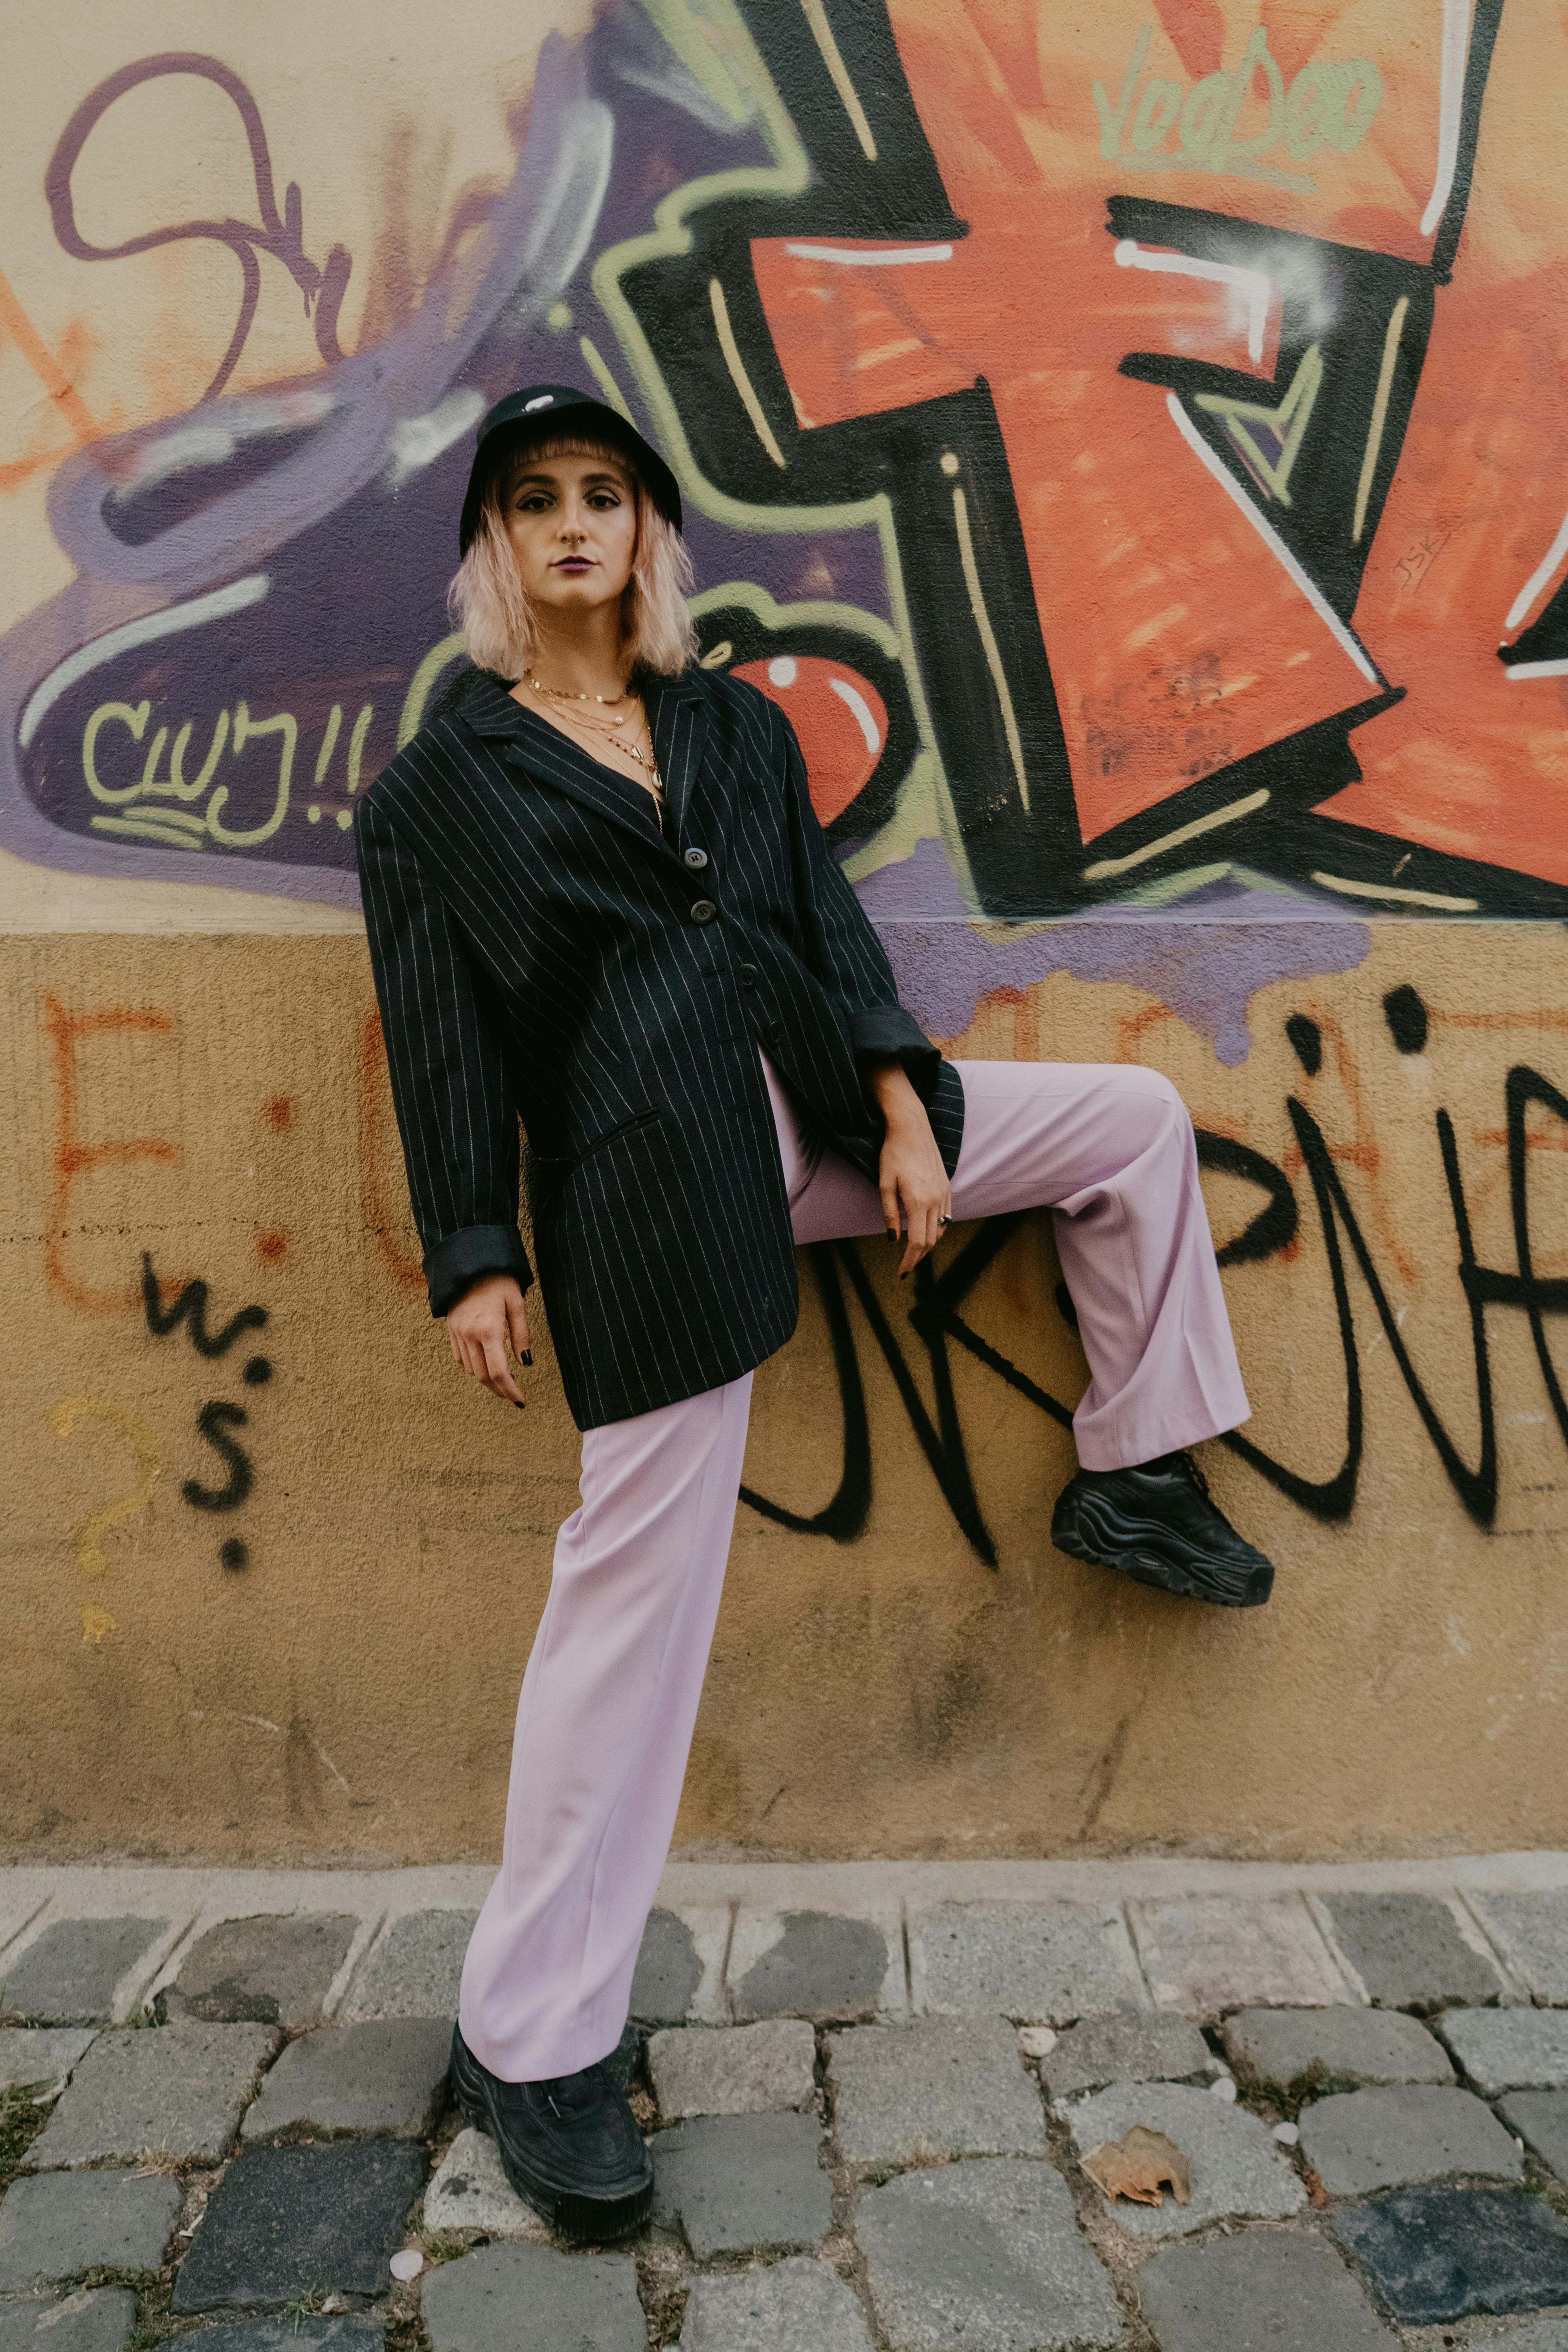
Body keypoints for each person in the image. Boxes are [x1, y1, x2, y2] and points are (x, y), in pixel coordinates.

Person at [356, 382, 1275, 2240]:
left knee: (1131, 1123)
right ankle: (529, 2031)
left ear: (644, 530)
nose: (569, 527)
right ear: (492, 549)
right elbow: (443, 1035)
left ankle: (1138, 1466)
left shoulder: (727, 725)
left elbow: (819, 922)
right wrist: (474, 1248)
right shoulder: (437, 791)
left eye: (600, 494)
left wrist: (892, 1099)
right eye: (530, 500)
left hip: (812, 1115)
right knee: (631, 1610)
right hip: (645, 1189)